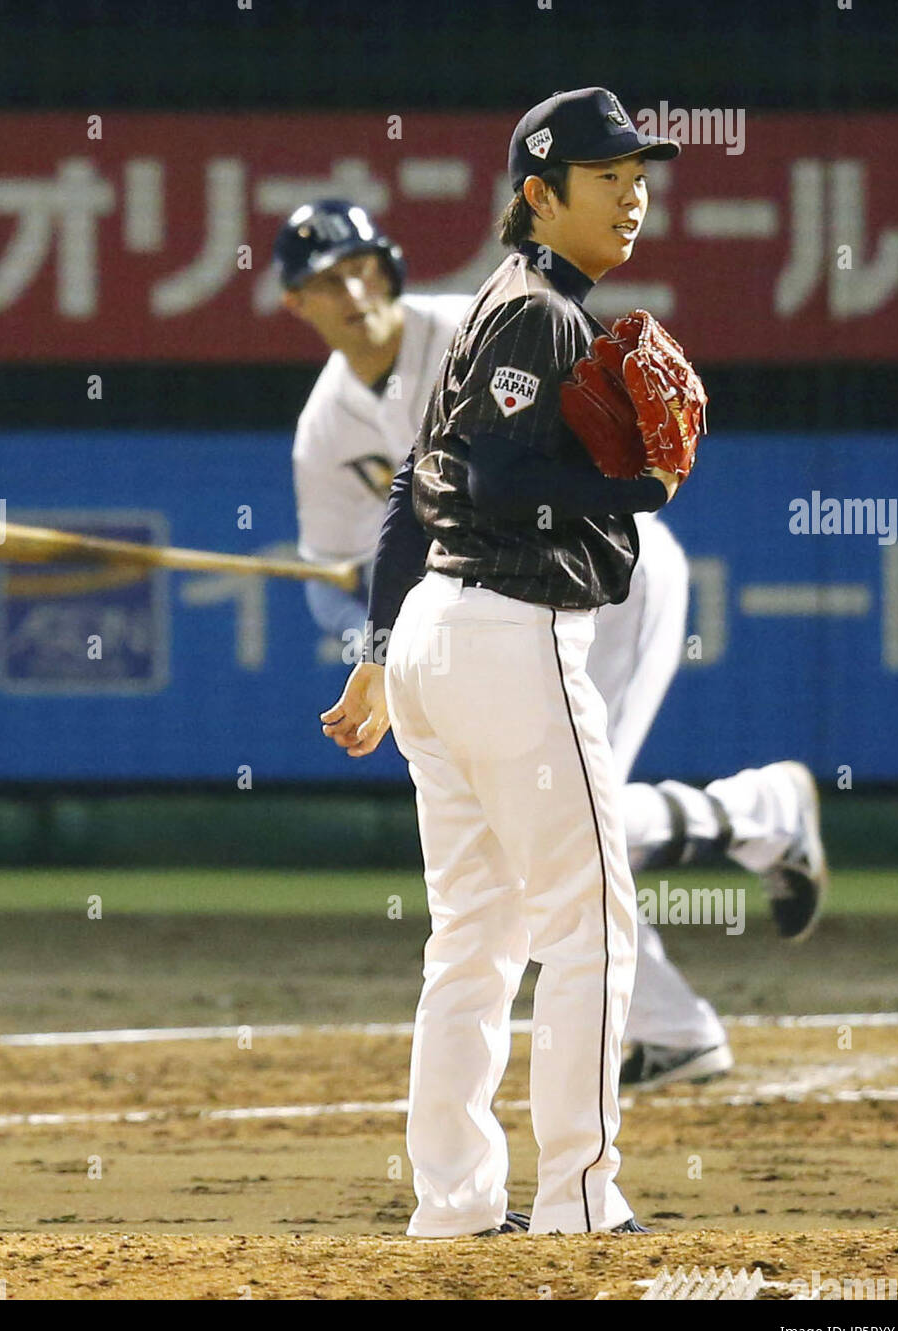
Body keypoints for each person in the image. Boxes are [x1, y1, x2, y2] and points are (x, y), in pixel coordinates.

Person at [281, 200, 825, 1098]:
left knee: (551, 824)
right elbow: (345, 586)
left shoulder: (480, 321)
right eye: (320, 281)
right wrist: (365, 596)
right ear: (297, 306)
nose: (348, 289)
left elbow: (481, 482)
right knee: (543, 824)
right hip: (500, 611)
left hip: (610, 576)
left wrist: (416, 543)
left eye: (358, 266)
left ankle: (751, 832)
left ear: (387, 265)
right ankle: (698, 973)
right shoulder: (325, 432)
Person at [321, 86, 688, 1236]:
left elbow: (410, 488)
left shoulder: (494, 306)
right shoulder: (539, 312)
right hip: (506, 634)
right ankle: (580, 1195)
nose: (632, 196)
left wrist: (380, 649)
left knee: (475, 936)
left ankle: (457, 1202)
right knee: (589, 918)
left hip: (439, 631)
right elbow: (490, 485)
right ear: (540, 193)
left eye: (639, 177)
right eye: (607, 177)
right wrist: (640, 488)